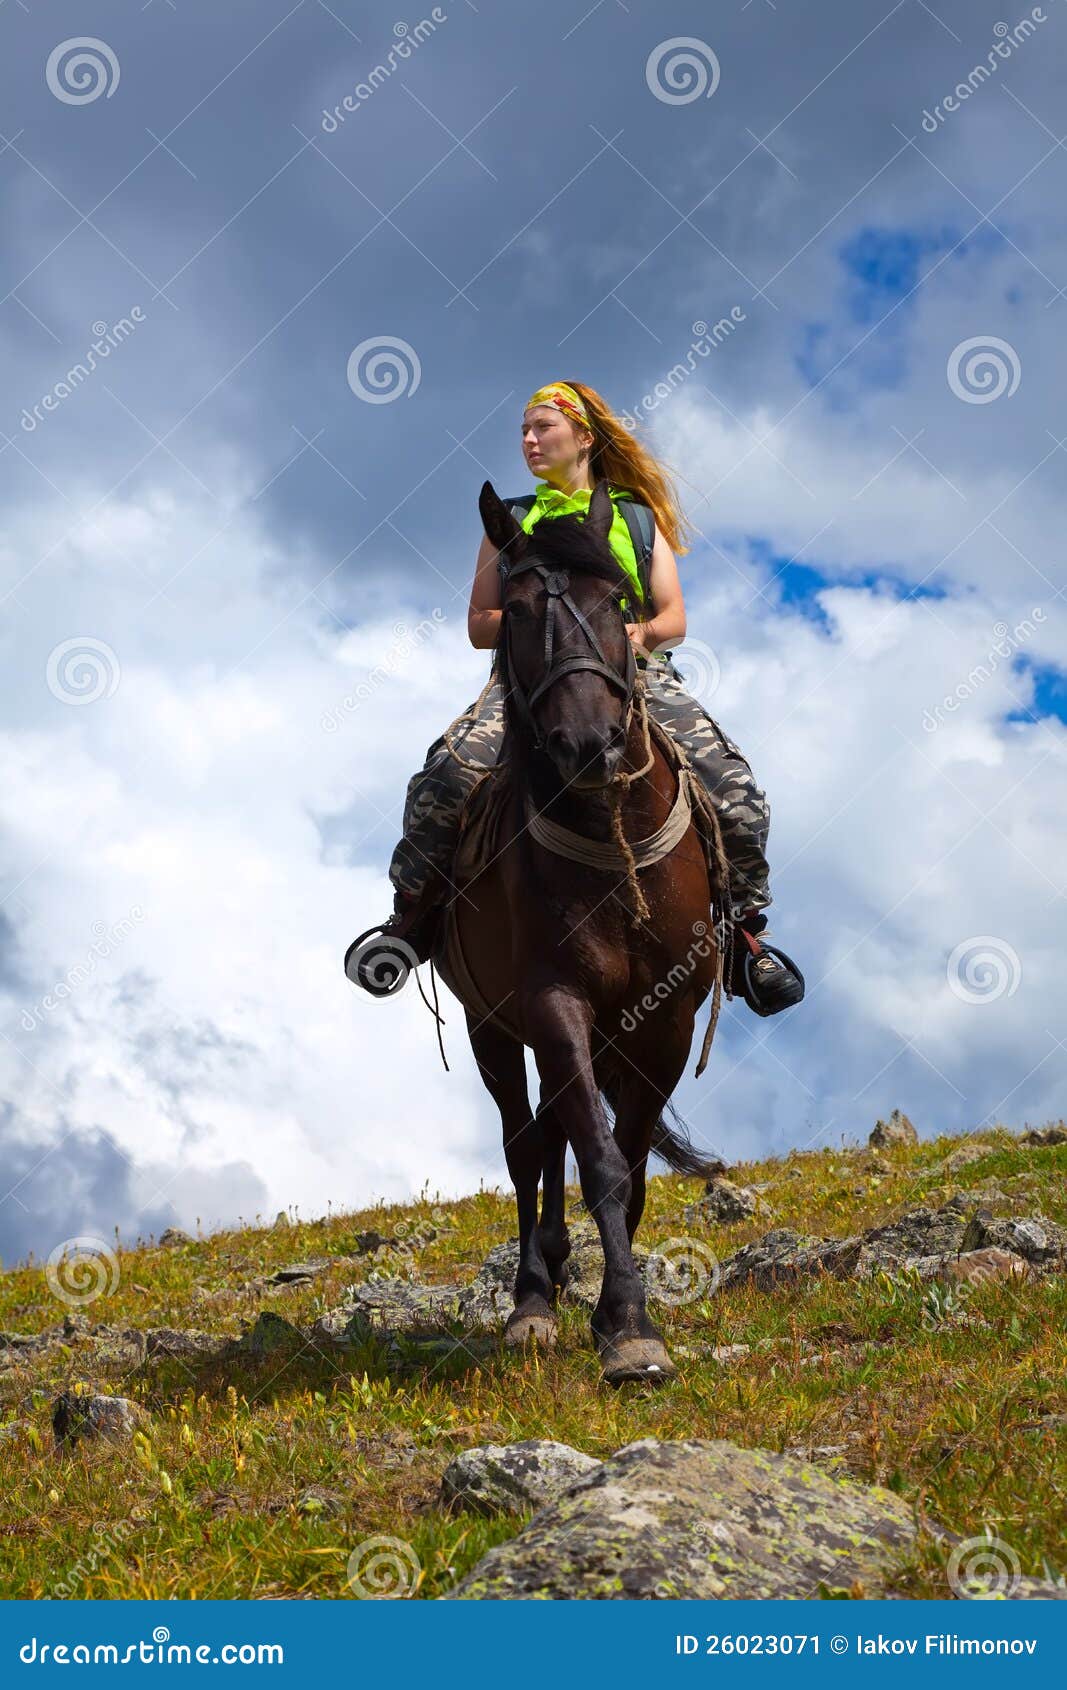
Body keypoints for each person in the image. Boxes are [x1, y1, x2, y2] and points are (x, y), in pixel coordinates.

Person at [348, 379, 804, 1016]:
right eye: (524, 432)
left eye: (544, 428)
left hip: (634, 676)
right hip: (532, 683)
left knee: (733, 788)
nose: (530, 441)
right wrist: (546, 625)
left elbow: (673, 618)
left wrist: (631, 634)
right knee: (447, 774)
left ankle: (741, 936)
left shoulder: (636, 518)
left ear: (584, 437)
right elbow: (480, 625)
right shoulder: (510, 520)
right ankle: (413, 921)